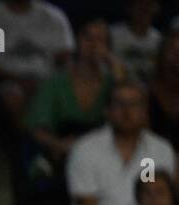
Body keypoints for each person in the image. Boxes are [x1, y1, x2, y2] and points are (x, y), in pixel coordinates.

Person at [25, 17, 123, 178]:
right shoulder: (55, 83)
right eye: (88, 38)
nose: (93, 45)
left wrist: (117, 72)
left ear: (108, 47)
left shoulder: (114, 84)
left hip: (104, 153)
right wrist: (59, 144)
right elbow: (36, 129)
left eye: (100, 40)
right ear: (78, 42)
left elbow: (127, 117)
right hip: (61, 152)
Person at [0, 0, 75, 123]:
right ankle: (25, 138)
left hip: (48, 80)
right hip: (8, 81)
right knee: (13, 97)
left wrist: (47, 83)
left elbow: (65, 57)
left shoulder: (52, 17)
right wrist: (20, 81)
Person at [111, 0, 162, 81]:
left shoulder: (159, 40)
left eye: (149, 5)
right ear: (130, 7)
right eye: (141, 4)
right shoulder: (113, 34)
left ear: (156, 8)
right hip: (119, 88)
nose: (144, 9)